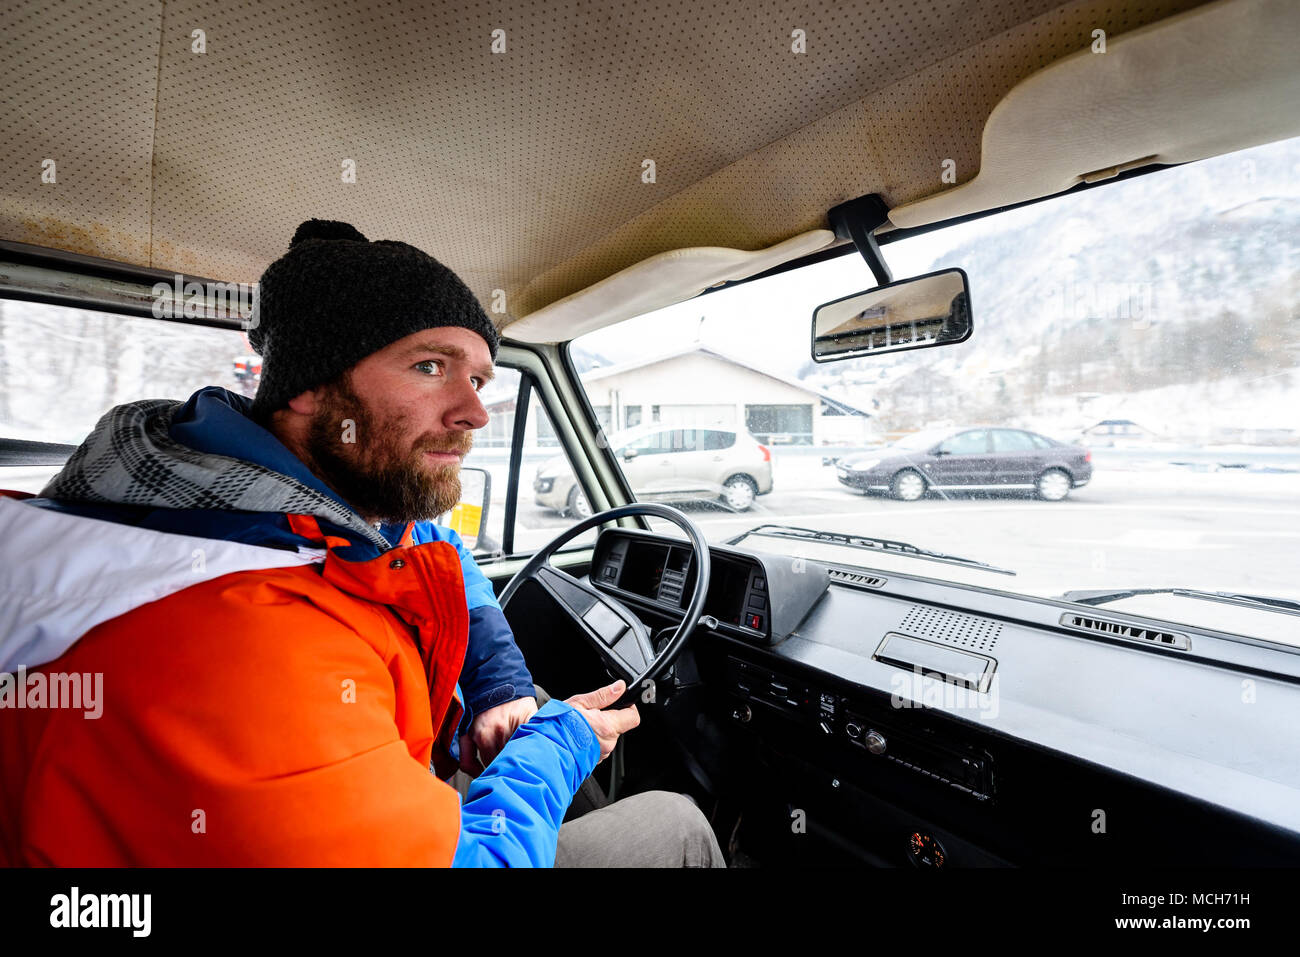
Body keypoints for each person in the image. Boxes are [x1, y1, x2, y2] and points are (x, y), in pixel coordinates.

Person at [0, 219, 724, 867]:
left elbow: (443, 565)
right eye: (429, 366)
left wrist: (502, 689)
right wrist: (558, 743)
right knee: (675, 822)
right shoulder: (247, 643)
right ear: (309, 386)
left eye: (478, 377)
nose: (474, 410)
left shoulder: (320, 502)